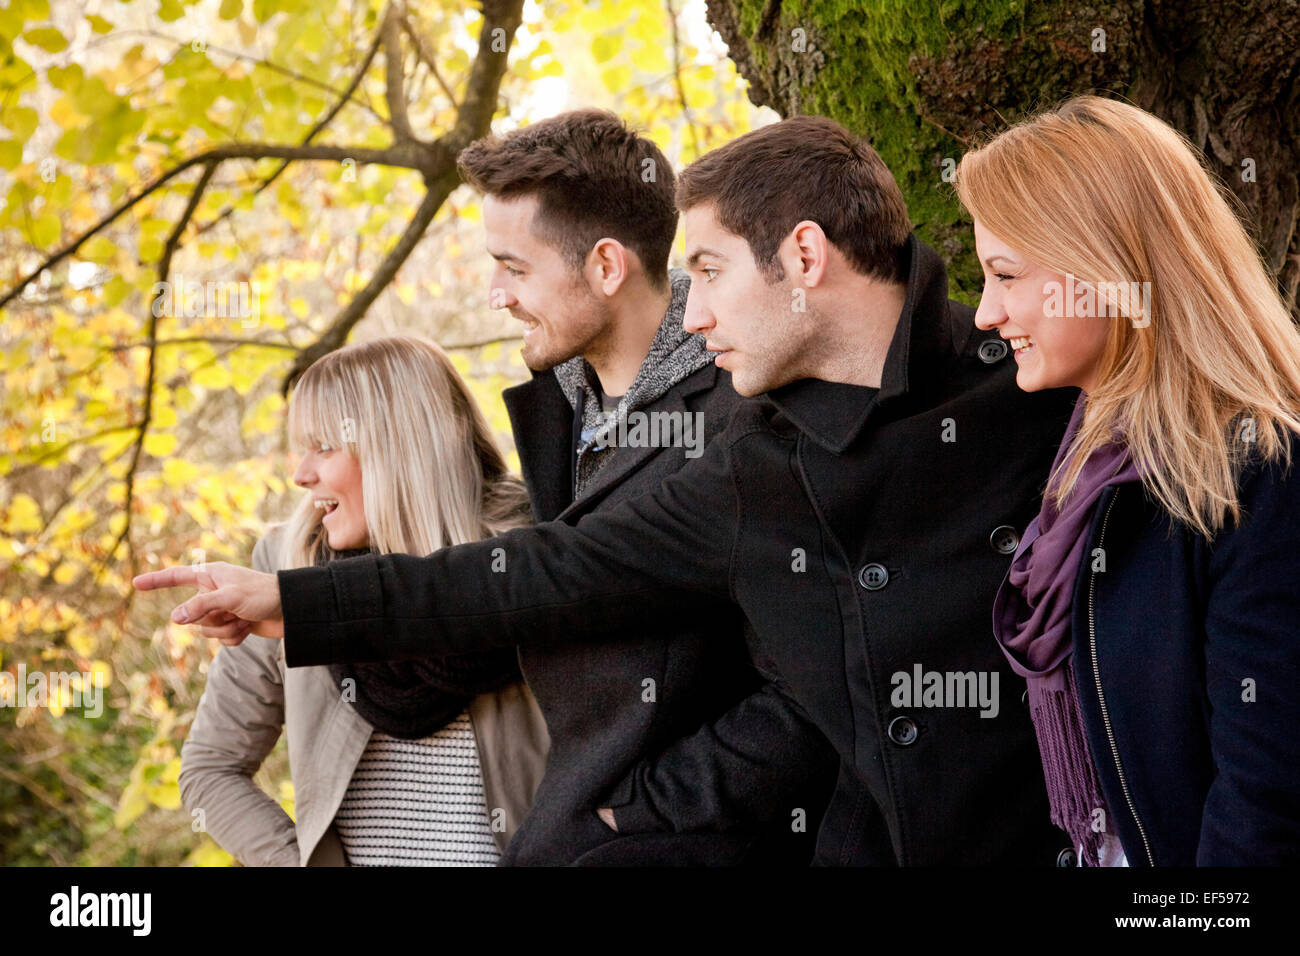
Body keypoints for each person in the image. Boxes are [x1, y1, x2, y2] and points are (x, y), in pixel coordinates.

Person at [139, 115, 1080, 865]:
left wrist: (648, 811)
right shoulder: (738, 452)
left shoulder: (1036, 388)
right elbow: (548, 571)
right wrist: (297, 601)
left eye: (708, 271)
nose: (694, 307)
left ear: (802, 257)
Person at [956, 95, 1300, 866]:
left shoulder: (1258, 471)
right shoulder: (1085, 456)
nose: (984, 312)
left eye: (1005, 274)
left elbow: (1266, 806)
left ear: (1103, 268)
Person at [178, 335, 550, 866]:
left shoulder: (538, 556)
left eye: (324, 447)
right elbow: (210, 769)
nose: (300, 474)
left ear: (400, 447)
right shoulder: (285, 567)